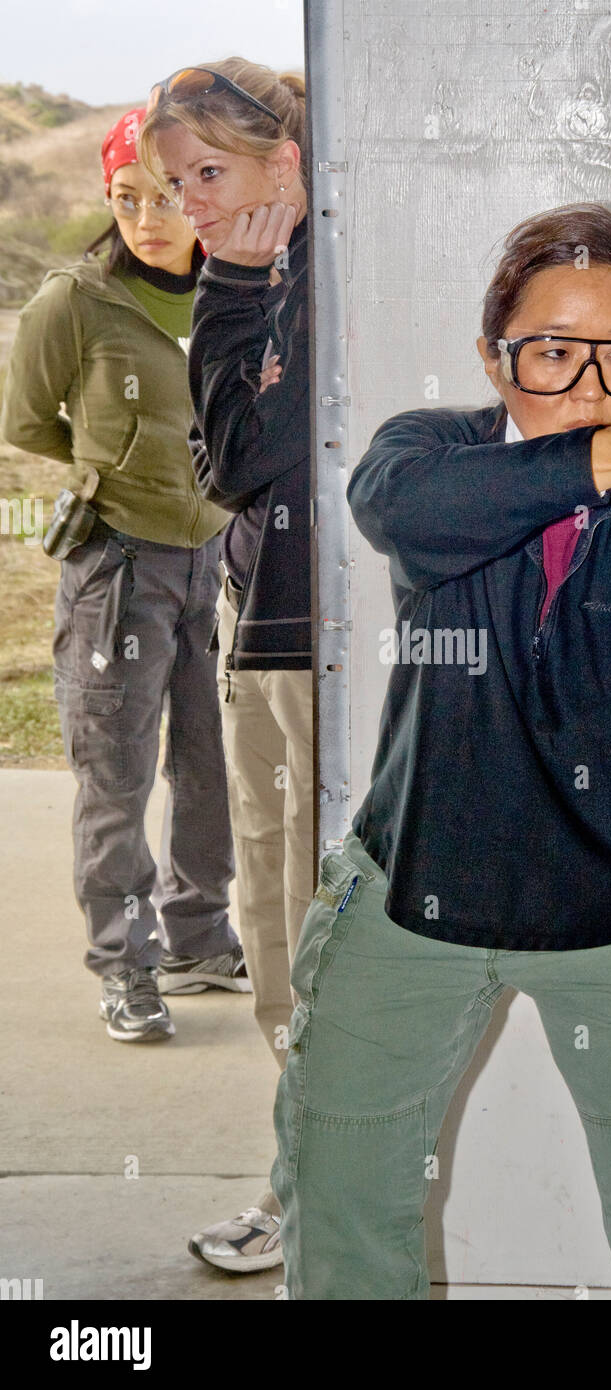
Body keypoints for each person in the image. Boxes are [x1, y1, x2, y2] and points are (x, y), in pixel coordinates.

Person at [270, 203, 611, 1300]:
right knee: (342, 1227)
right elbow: (403, 514)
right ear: (491, 356)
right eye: (550, 351)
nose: (589, 384)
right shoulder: (429, 454)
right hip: (412, 897)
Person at [0, 109, 248, 1043]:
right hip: (118, 567)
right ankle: (125, 963)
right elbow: (26, 425)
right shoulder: (76, 299)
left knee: (205, 766)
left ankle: (196, 938)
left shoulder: (236, 291)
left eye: (172, 193)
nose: (150, 215)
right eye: (127, 196)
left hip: (211, 559)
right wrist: (107, 468)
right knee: (116, 774)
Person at [139, 60, 313, 1271]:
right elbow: (224, 466)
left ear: (284, 161)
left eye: (210, 173)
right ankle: (298, 1181)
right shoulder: (256, 280)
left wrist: (238, 284)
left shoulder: (305, 281)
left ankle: (326, 1198)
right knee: (265, 922)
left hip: (322, 655)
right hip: (256, 636)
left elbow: (237, 460)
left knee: (313, 932)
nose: (191, 203)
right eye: (174, 182)